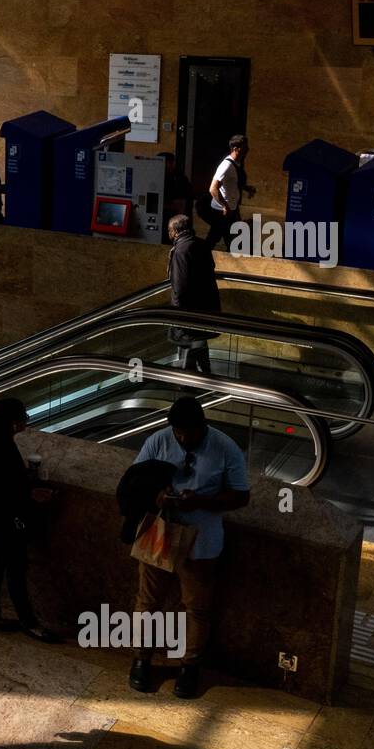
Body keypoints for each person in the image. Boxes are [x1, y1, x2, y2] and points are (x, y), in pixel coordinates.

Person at [129, 396, 250, 699]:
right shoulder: (158, 441)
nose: (182, 439)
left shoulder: (225, 448)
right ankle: (141, 659)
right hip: (161, 534)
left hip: (202, 539)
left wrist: (202, 501)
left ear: (203, 426)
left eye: (189, 433)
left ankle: (189, 666)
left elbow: (241, 496)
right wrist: (158, 496)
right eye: (178, 433)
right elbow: (135, 480)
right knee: (148, 601)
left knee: (196, 608)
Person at [0, 399, 59, 642]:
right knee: (15, 569)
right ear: (12, 423)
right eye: (24, 418)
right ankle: (28, 622)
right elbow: (6, 490)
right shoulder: (1, 446)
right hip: (3, 519)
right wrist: (33, 496)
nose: (26, 421)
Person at [166, 213, 221, 373]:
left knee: (187, 348)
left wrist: (177, 316)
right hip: (206, 309)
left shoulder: (181, 251)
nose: (168, 234)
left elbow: (180, 287)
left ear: (175, 231)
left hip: (188, 313)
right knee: (200, 344)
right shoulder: (202, 245)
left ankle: (188, 382)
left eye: (169, 230)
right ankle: (206, 375)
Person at [201, 134, 256, 251]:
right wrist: (224, 205)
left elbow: (232, 182)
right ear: (235, 149)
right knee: (222, 239)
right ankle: (199, 259)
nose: (247, 150)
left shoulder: (237, 164)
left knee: (224, 238)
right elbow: (213, 188)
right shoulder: (226, 165)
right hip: (221, 212)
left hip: (232, 209)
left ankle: (202, 257)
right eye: (245, 147)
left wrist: (246, 188)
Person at [161, 152, 192, 226]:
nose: (169, 165)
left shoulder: (179, 178)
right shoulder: (158, 176)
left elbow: (180, 205)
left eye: (170, 163)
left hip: (176, 218)